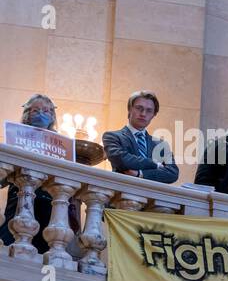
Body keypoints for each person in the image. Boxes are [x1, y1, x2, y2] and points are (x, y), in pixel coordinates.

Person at [1, 94, 82, 253]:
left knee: (43, 248)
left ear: (52, 116)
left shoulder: (60, 144)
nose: (41, 114)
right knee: (12, 242)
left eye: (46, 111)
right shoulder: (16, 137)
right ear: (27, 114)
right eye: (35, 110)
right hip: (18, 197)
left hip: (48, 201)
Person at [101, 90, 179, 183]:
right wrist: (155, 164)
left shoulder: (161, 145)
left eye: (149, 110)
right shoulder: (112, 137)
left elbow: (172, 173)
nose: (143, 114)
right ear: (129, 109)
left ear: (154, 115)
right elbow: (121, 160)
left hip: (151, 196)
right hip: (122, 192)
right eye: (139, 108)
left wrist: (140, 174)